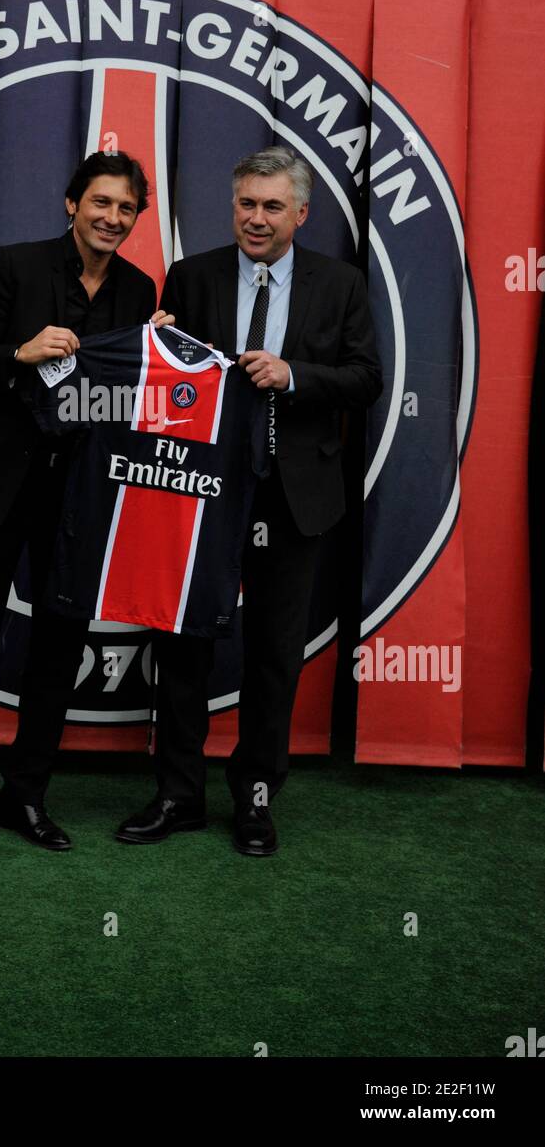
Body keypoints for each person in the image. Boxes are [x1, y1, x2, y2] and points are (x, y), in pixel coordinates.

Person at [115, 145, 383, 857]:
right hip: (199, 492)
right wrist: (159, 351)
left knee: (273, 653)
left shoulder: (341, 284)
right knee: (183, 646)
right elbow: (159, 382)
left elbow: (364, 379)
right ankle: (178, 793)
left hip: (294, 496)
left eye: (270, 206)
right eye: (245, 205)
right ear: (230, 206)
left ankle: (256, 797)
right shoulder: (190, 275)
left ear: (300, 213)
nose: (255, 219)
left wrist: (294, 374)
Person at [0, 151, 163, 859]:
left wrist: (162, 353)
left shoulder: (138, 289)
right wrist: (20, 352)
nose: (111, 218)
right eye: (100, 203)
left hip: (80, 497)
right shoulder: (16, 264)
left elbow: (134, 398)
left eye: (125, 209)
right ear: (71, 204)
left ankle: (24, 796)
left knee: (58, 649)